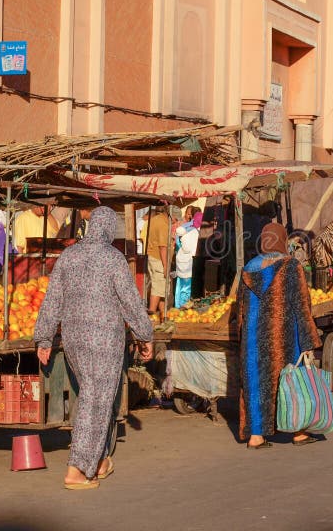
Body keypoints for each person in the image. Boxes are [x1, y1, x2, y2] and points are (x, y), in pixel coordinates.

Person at [34, 207, 153, 489]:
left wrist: (44, 338)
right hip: (104, 341)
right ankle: (76, 470)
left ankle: (98, 462)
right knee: (95, 399)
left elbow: (52, 300)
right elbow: (130, 302)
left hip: (74, 338)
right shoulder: (113, 258)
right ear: (109, 230)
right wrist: (144, 334)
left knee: (93, 395)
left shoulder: (69, 256)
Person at [238, 222, 322, 449]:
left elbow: (241, 308)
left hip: (253, 338)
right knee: (291, 381)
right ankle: (299, 432)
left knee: (257, 383)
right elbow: (302, 306)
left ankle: (256, 436)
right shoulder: (291, 266)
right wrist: (308, 340)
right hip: (284, 337)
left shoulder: (248, 269)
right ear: (282, 240)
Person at [146, 207, 170, 314]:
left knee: (160, 288)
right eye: (175, 220)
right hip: (158, 258)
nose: (175, 222)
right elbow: (163, 246)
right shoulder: (163, 224)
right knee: (158, 287)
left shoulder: (154, 219)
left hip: (152, 256)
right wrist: (165, 265)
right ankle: (151, 313)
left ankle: (163, 314)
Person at [173, 224, 198, 308]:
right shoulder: (193, 234)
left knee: (179, 286)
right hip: (186, 266)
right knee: (186, 287)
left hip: (182, 266)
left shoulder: (182, 238)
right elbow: (188, 248)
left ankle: (178, 304)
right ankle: (183, 305)